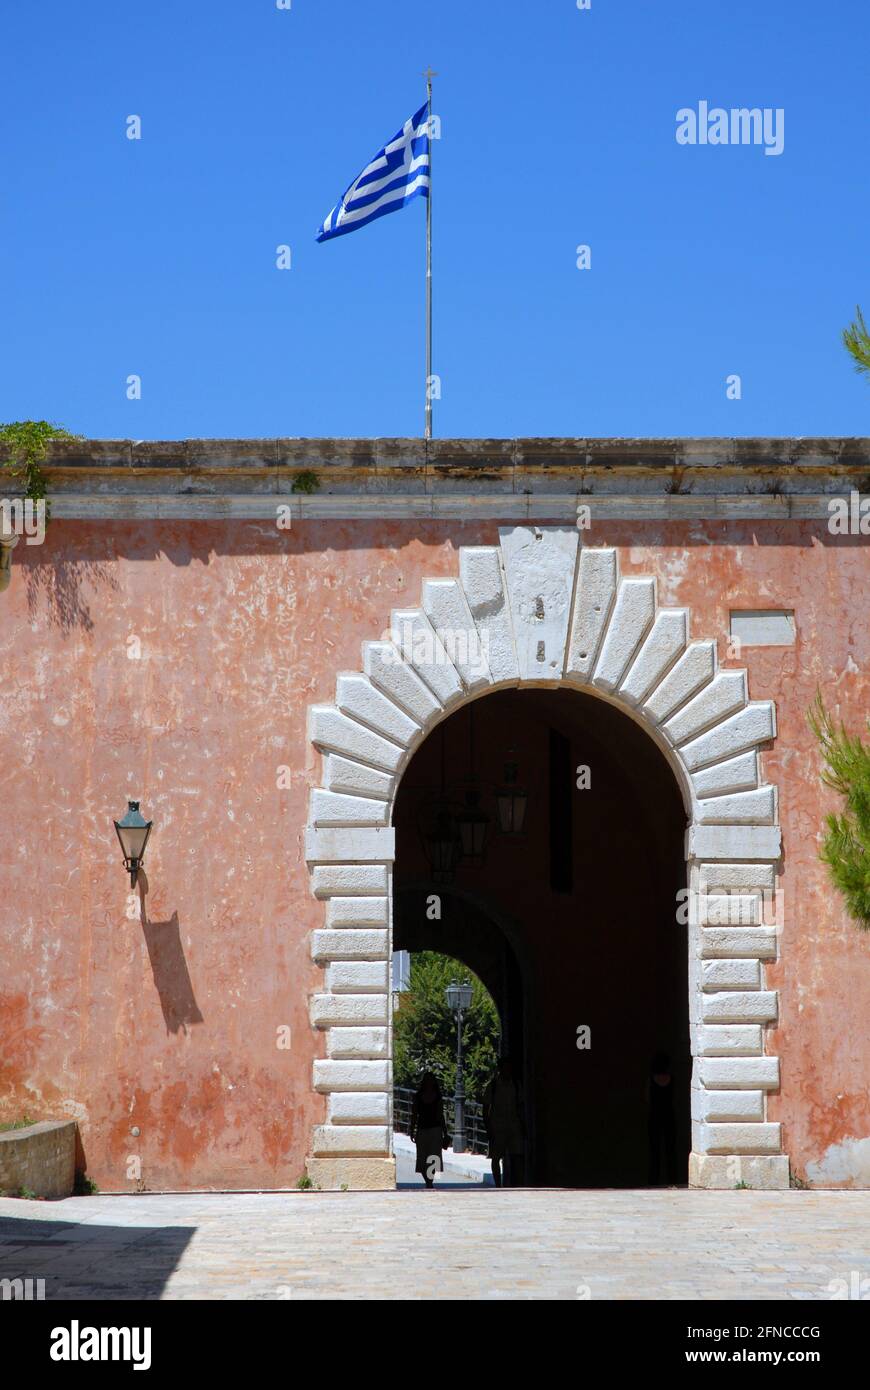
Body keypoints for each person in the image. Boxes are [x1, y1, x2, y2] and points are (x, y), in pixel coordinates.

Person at [483, 1056, 524, 1187]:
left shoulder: (516, 1085)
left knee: (516, 1155)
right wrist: (488, 1128)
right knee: (496, 1157)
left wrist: (523, 1124)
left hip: (514, 1125)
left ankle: (516, 1183)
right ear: (500, 1069)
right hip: (497, 1126)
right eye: (505, 1068)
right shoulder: (493, 1086)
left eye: (509, 1068)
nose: (508, 1070)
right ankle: (498, 1185)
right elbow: (486, 1108)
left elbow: (521, 1106)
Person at [410, 1072, 448, 1188]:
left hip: (435, 1130)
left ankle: (429, 1182)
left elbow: (441, 1115)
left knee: (434, 1157)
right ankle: (428, 1181)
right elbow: (414, 1114)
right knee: (422, 1158)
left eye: (431, 1080)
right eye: (427, 1080)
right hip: (422, 1130)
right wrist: (412, 1130)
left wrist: (445, 1132)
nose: (429, 1082)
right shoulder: (418, 1096)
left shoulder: (438, 1097)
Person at [646, 1050, 677, 1186]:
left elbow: (646, 1098)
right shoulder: (672, 1079)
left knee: (654, 1151)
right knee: (670, 1149)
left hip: (654, 1116)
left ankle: (654, 1180)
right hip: (669, 1116)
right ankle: (672, 1179)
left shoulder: (651, 1079)